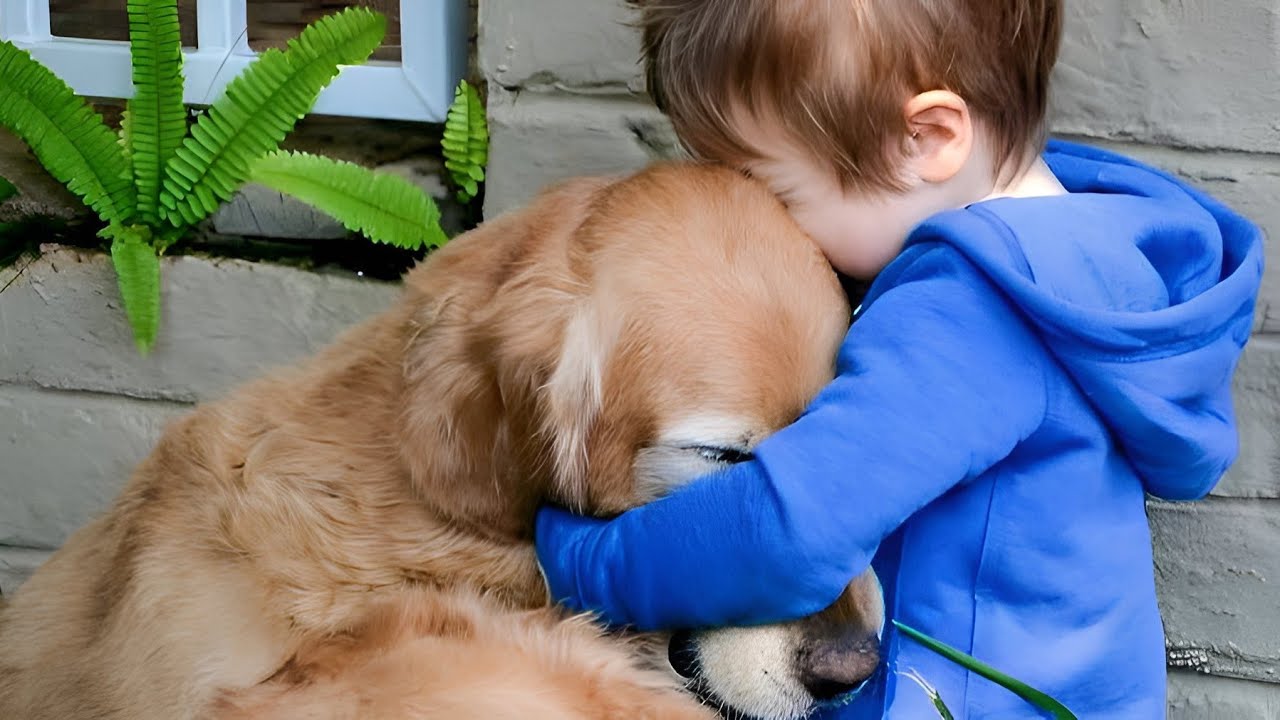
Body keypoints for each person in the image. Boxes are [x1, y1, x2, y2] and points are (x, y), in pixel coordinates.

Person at [533, 1, 1265, 717]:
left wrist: (582, 562)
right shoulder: (1079, 259)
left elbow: (790, 530)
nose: (772, 229)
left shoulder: (969, 315)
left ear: (927, 138)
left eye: (777, 192)